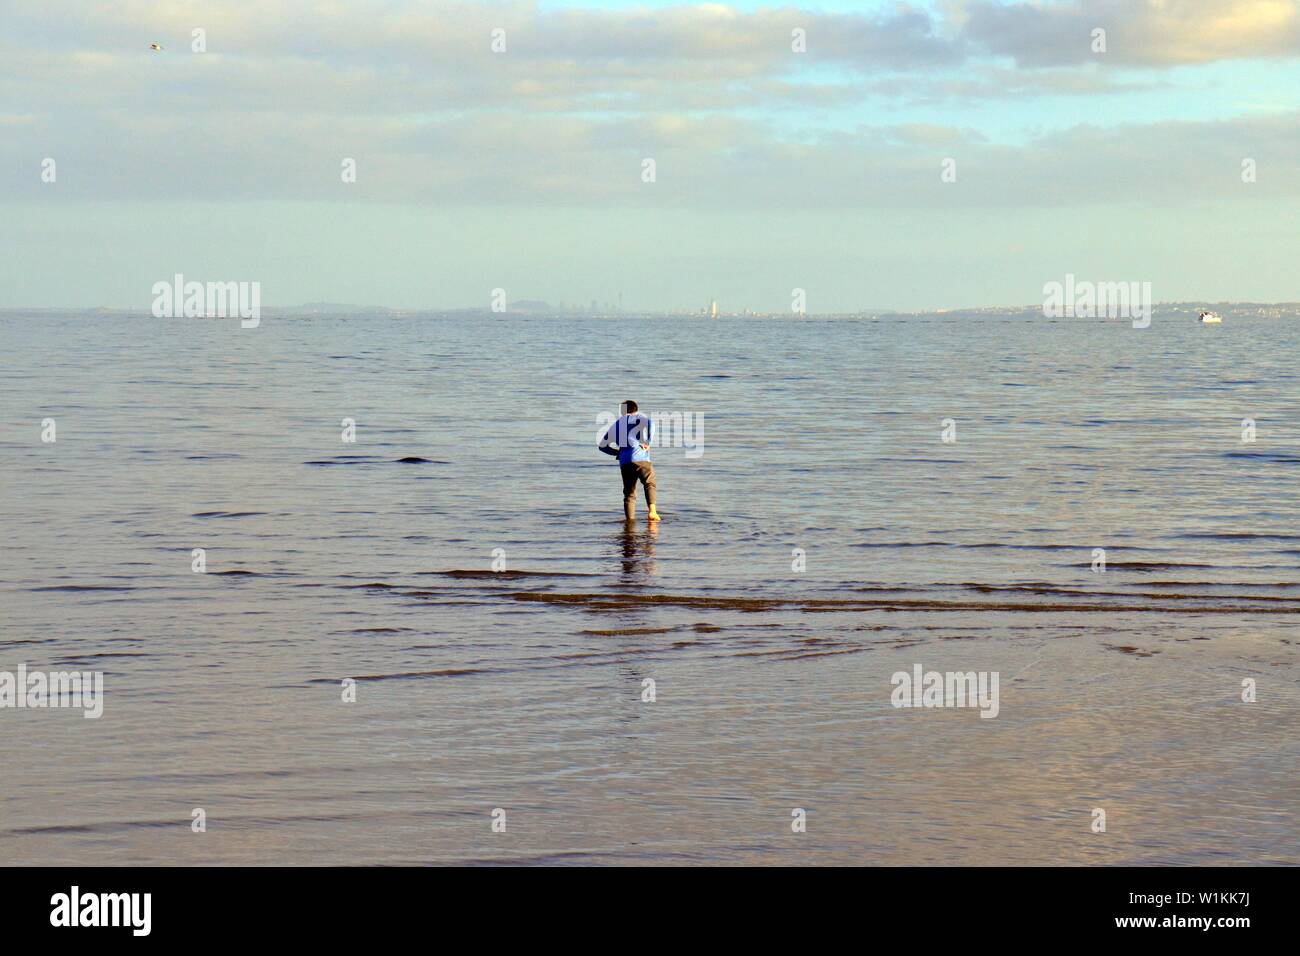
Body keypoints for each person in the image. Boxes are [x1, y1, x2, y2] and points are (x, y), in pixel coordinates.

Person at [598, 400, 661, 521]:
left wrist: (618, 453)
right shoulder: (637, 418)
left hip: (625, 463)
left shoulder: (615, 425)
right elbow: (651, 423)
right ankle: (652, 512)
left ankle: (630, 521)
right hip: (641, 458)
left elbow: (602, 446)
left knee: (629, 493)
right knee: (649, 483)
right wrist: (648, 442)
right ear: (635, 409)